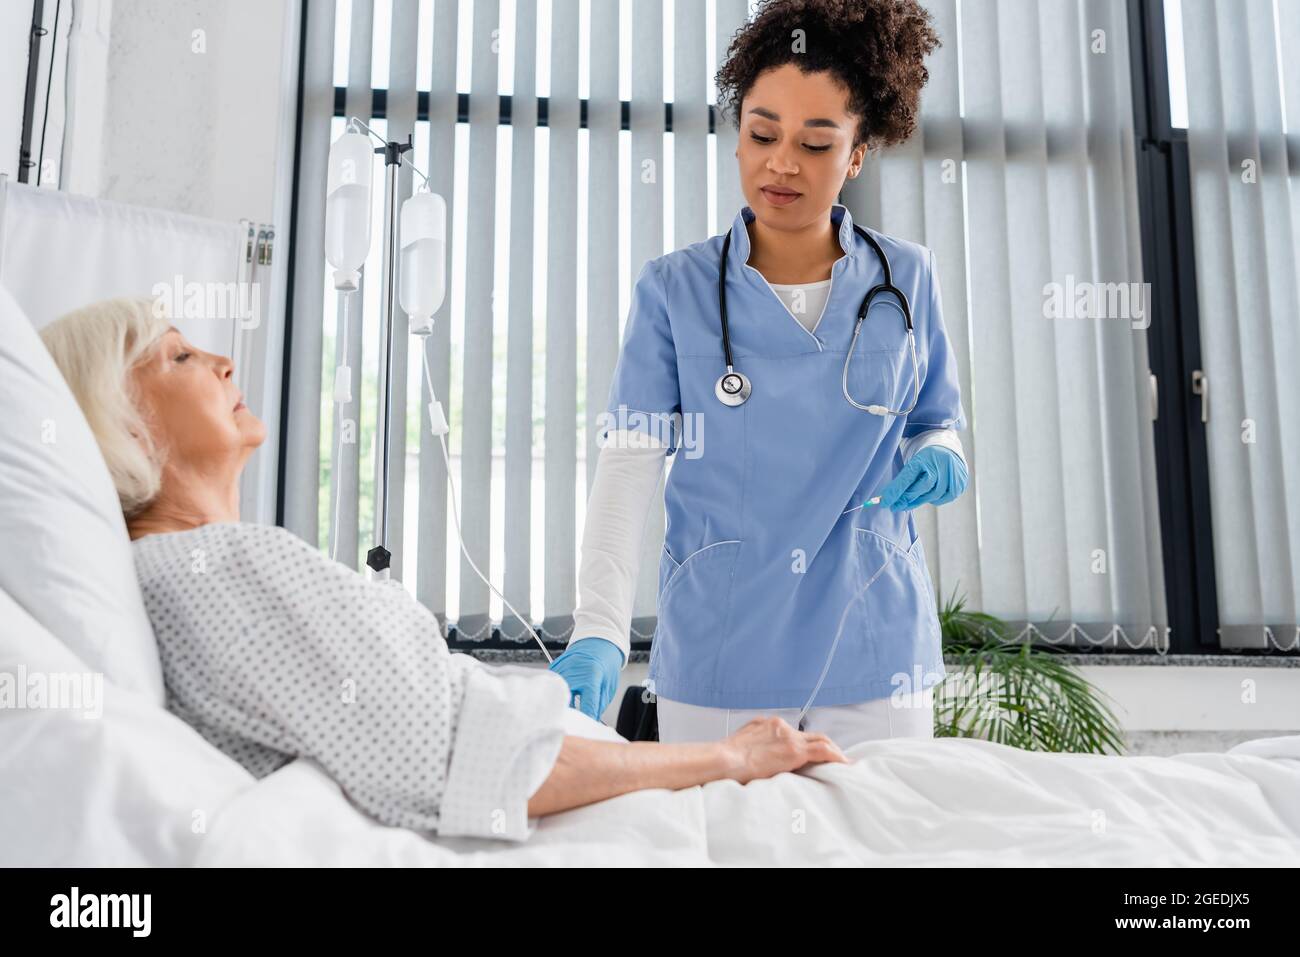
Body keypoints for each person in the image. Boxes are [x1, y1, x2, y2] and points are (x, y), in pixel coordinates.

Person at [38, 297, 847, 843]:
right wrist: (728, 758)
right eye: (178, 356)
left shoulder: (200, 569)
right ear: (122, 423)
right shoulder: (214, 571)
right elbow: (481, 762)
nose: (219, 358)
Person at [550, 0, 969, 747]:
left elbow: (934, 418)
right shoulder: (673, 291)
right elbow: (629, 465)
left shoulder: (907, 276)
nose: (781, 163)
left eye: (815, 143)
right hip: (722, 651)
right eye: (761, 133)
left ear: (858, 153)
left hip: (875, 644)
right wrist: (602, 629)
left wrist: (942, 453)